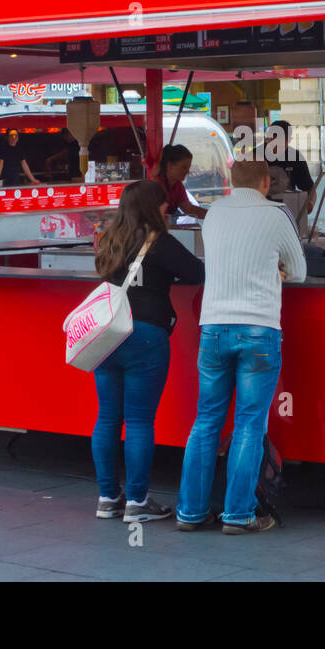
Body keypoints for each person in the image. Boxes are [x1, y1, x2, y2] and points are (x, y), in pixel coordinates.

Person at [175, 159, 307, 534]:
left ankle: (190, 512)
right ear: (266, 183)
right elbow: (297, 271)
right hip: (258, 330)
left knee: (205, 421)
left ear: (233, 182)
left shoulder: (214, 213)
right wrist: (274, 269)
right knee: (249, 423)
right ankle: (238, 514)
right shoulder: (277, 214)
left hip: (213, 329)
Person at [91, 180, 205, 523]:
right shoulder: (160, 242)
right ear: (153, 207)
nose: (166, 208)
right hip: (145, 335)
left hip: (106, 336)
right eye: (162, 204)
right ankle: (137, 504)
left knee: (107, 417)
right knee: (139, 419)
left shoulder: (109, 238)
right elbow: (198, 272)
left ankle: (108, 498)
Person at [153, 144, 207, 219]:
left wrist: (212, 215)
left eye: (188, 168)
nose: (188, 172)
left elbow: (189, 209)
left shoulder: (177, 185)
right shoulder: (156, 185)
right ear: (170, 166)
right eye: (184, 167)